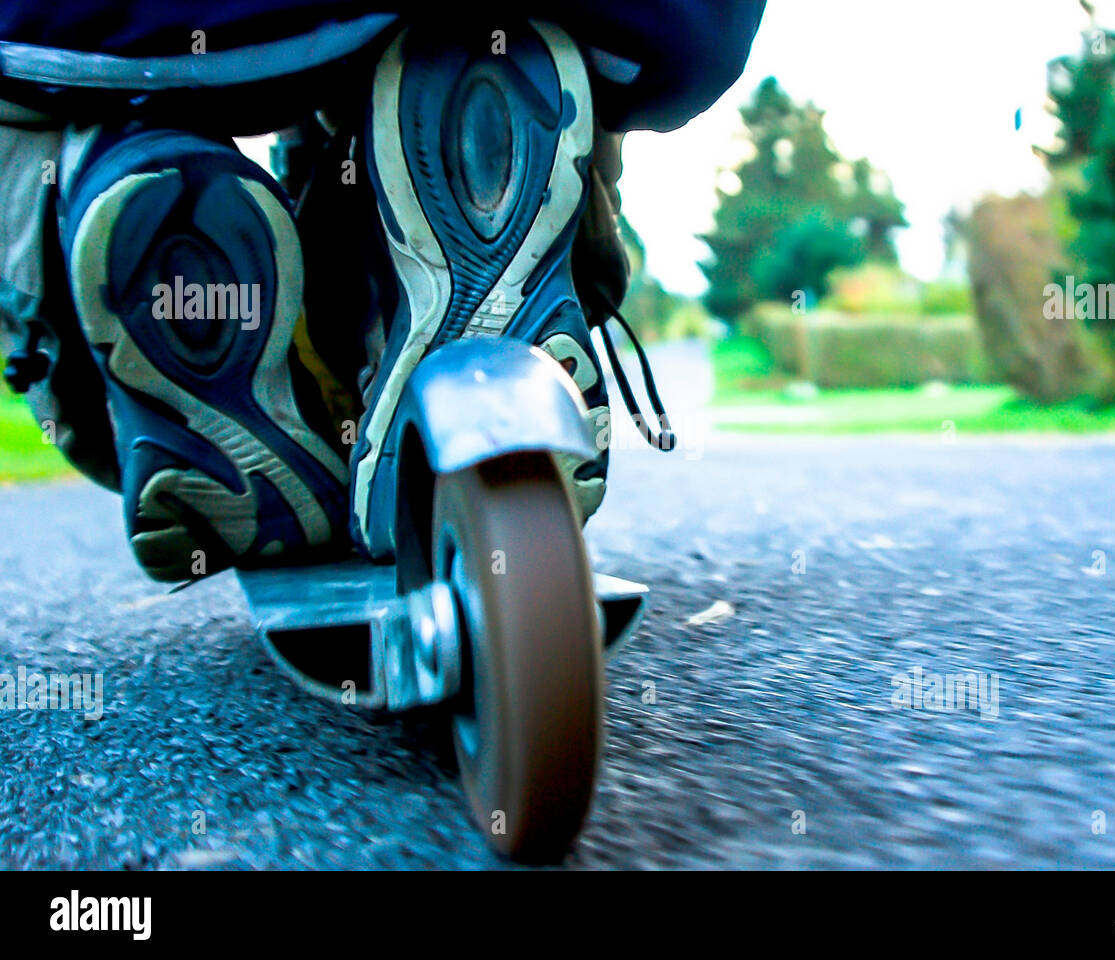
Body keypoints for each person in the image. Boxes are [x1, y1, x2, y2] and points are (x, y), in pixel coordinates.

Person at [0, 2, 765, 579]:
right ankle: (449, 201)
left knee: (70, 99)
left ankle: (125, 181)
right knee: (527, 41)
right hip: (656, 19)